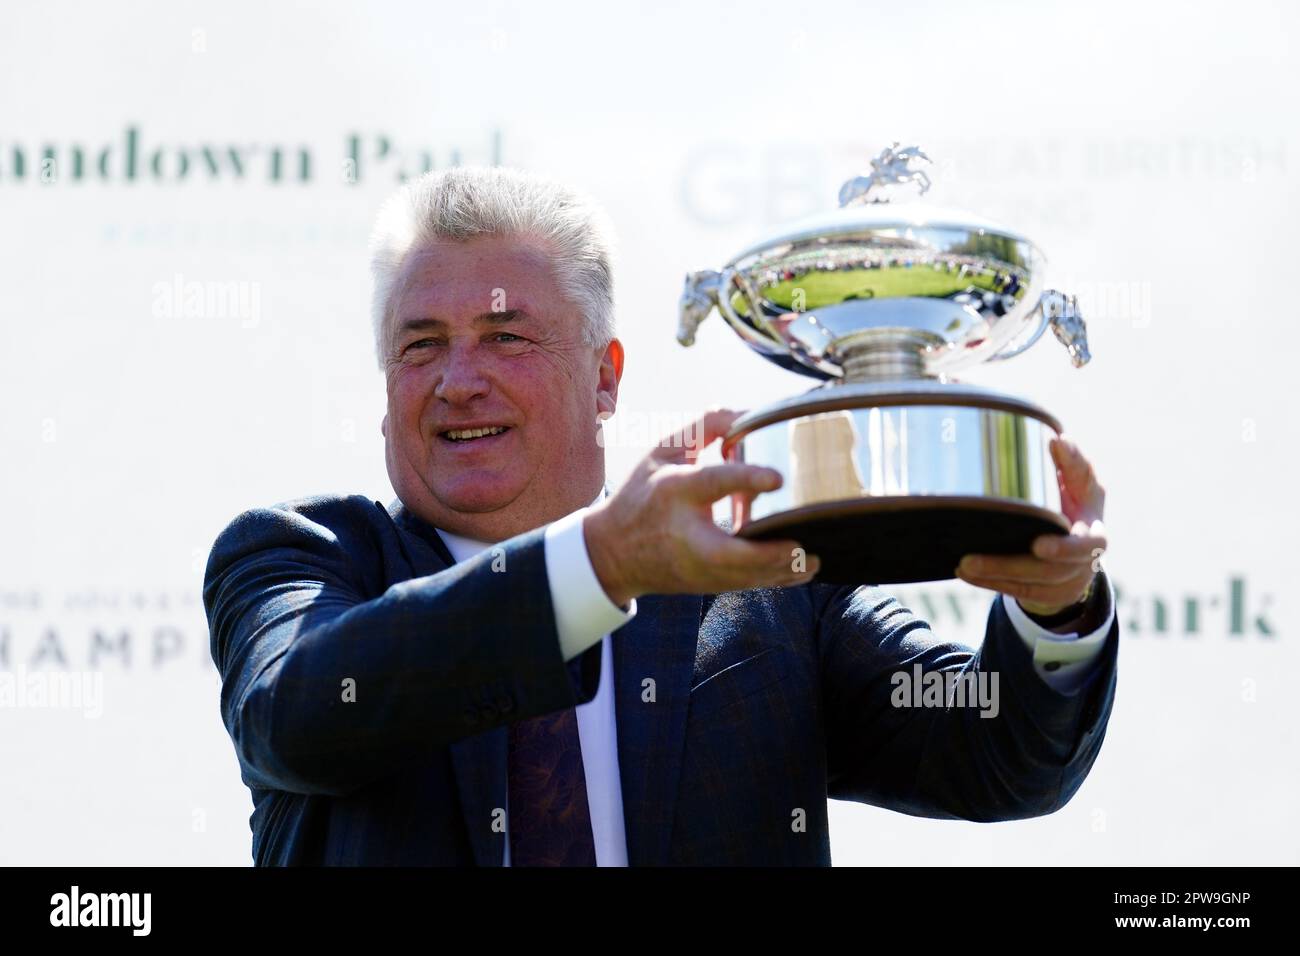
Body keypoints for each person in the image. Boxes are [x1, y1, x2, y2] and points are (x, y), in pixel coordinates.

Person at [203, 165, 1118, 866]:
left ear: (606, 379)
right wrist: (600, 566)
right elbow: (298, 713)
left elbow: (995, 752)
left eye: (505, 336)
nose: (457, 380)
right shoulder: (304, 556)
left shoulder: (766, 590)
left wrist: (1057, 615)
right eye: (420, 345)